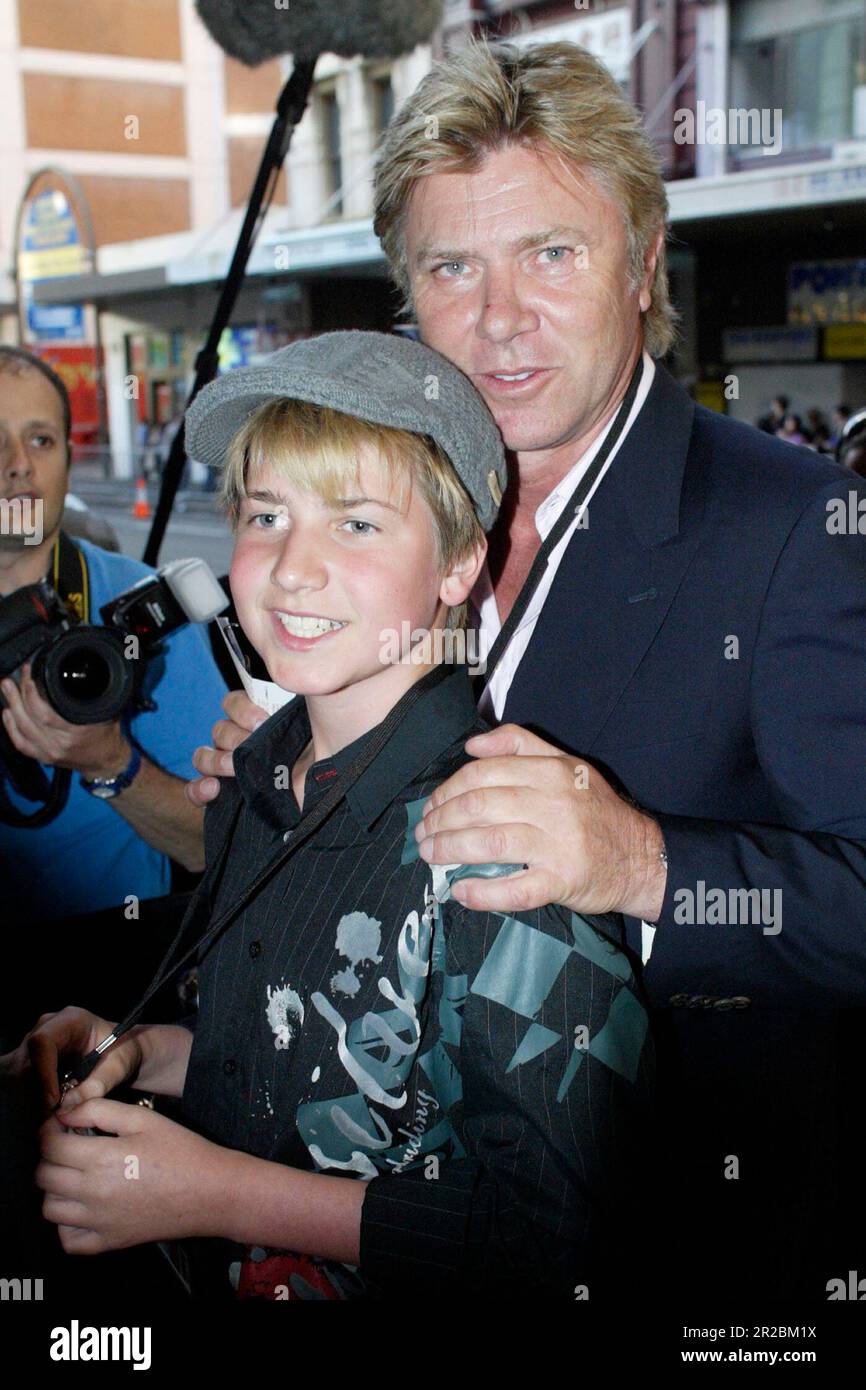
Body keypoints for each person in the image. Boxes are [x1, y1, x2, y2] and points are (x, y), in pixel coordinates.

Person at [190, 39, 866, 1302]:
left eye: (551, 253)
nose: (498, 318)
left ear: (641, 265)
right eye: (452, 267)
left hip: (686, 1252)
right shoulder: (392, 514)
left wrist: (642, 865)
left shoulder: (789, 528)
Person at [12, 331, 653, 1302]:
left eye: (355, 522)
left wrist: (219, 1195)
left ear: (458, 562)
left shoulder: (498, 849)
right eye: (266, 514)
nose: (292, 568)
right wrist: (139, 1050)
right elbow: (287, 1054)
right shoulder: (254, 784)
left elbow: (565, 1245)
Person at [0, 346, 227, 925]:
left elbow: (215, 845)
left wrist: (108, 761)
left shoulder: (147, 614)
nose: (18, 464)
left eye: (41, 440)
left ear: (67, 459)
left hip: (113, 954)